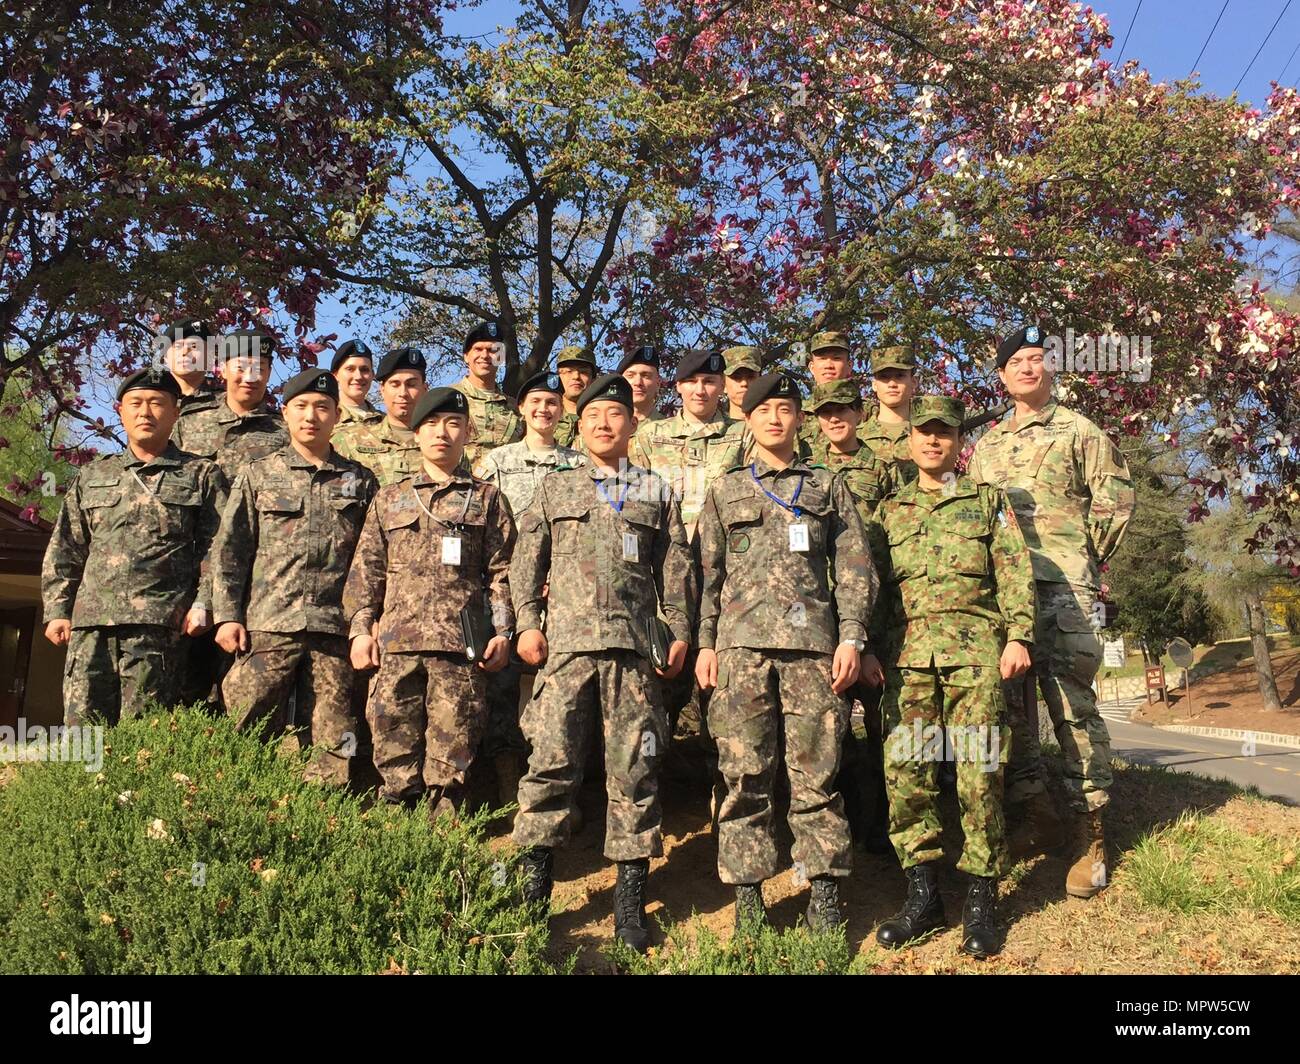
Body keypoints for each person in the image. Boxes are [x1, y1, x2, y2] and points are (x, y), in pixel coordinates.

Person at [510, 373, 695, 953]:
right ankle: (532, 898)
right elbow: (525, 561)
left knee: (633, 774)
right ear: (579, 423)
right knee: (550, 767)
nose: (604, 423)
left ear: (632, 424)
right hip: (564, 651)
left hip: (635, 654)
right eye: (592, 415)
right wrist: (525, 625)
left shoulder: (653, 491)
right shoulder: (556, 488)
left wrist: (682, 631)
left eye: (615, 415)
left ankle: (629, 906)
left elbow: (676, 569)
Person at [694, 372, 876, 932]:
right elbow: (706, 577)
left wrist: (851, 637)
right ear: (746, 419)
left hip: (812, 651)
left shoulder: (827, 486)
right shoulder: (725, 491)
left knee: (816, 775)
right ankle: (749, 894)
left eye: (785, 408)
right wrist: (705, 644)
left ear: (800, 419)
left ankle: (823, 891)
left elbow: (854, 569)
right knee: (744, 775)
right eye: (763, 409)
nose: (775, 417)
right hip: (741, 649)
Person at [967, 325, 1136, 898]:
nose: (1029, 369)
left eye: (1038, 359)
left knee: (1072, 709)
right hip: (1002, 598)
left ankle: (1090, 836)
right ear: (1002, 376)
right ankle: (1034, 813)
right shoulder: (985, 447)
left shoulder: (1079, 431)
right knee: (1010, 712)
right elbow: (973, 518)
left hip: (1064, 595)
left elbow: (1116, 500)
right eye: (1017, 362)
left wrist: (1080, 558)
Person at [872, 395, 1036, 958]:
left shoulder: (987, 502)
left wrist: (1018, 635)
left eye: (945, 432)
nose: (934, 441)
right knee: (909, 776)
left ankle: (981, 898)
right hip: (910, 662)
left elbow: (1014, 568)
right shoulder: (888, 512)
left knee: (979, 772)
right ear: (911, 440)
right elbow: (873, 593)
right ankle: (923, 896)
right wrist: (867, 648)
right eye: (925, 432)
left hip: (975, 661)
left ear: (959, 442)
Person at [343, 387, 515, 816]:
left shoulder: (488, 499)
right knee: (392, 742)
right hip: (397, 644)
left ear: (468, 432)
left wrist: (504, 631)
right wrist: (361, 630)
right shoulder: (391, 498)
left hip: (461, 648)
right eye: (432, 425)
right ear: (417, 434)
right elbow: (368, 571)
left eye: (453, 423)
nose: (443, 433)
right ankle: (397, 844)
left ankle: (443, 845)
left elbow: (503, 573)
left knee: (453, 751)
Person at [210, 368, 379, 786]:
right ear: (285, 413)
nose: (311, 416)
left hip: (333, 629)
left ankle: (324, 824)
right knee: (243, 727)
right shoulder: (259, 473)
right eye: (301, 407)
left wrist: (365, 623)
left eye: (322, 407)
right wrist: (227, 615)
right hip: (268, 625)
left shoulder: (359, 481)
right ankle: (239, 814)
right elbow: (232, 549)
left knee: (335, 741)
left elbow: (373, 559)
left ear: (337, 415)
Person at [42, 368, 227, 724]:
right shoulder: (94, 475)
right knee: (83, 735)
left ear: (176, 412)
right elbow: (66, 546)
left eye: (157, 403)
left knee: (145, 737)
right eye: (136, 403)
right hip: (90, 627)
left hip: (159, 628)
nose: (146, 412)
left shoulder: (201, 475)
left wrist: (204, 603)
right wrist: (57, 609)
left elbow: (217, 547)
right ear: (120, 411)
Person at [473, 369, 586, 811]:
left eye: (553, 404)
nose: (544, 409)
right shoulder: (496, 463)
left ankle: (559, 785)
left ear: (563, 411)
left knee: (558, 686)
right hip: (507, 586)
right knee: (503, 680)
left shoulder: (578, 464)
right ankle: (506, 775)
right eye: (535, 402)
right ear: (520, 408)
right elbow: (482, 529)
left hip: (565, 590)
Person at [632, 347, 745, 738]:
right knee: (665, 665)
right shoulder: (649, 436)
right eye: (693, 382)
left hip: (726, 569)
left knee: (722, 668)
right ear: (677, 387)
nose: (701, 389)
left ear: (722, 387)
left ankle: (716, 770)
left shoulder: (742, 435)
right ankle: (660, 766)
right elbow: (633, 500)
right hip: (666, 570)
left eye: (710, 381)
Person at [808, 379, 899, 852]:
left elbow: (893, 546)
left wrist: (870, 638)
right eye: (825, 411)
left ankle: (884, 824)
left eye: (843, 409)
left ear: (860, 413)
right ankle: (838, 825)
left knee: (886, 727)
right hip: (823, 614)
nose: (835, 418)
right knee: (831, 732)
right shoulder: (807, 471)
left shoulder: (885, 470)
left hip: (875, 613)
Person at [170, 328, 289, 481]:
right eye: (241, 368)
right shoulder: (189, 421)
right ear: (224, 370)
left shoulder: (285, 429)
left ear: (269, 373)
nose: (249, 377)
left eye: (259, 369)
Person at [332, 347, 427, 487]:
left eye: (411, 385)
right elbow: (340, 500)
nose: (403, 393)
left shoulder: (442, 441)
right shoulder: (349, 441)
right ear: (382, 390)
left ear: (425, 389)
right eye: (395, 385)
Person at [452, 321, 523, 467]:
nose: (485, 355)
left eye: (492, 350)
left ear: (500, 357)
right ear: (466, 356)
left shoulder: (516, 408)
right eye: (478, 349)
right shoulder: (449, 398)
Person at [859, 344, 919, 481]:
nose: (892, 384)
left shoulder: (927, 435)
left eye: (899, 376)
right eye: (884, 377)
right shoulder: (857, 438)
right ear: (874, 384)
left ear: (914, 382)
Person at [798, 330, 855, 450]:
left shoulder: (866, 411)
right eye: (822, 358)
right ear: (812, 367)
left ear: (849, 366)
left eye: (836, 358)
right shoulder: (797, 413)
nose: (828, 365)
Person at [331, 339, 384, 429]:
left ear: (372, 375)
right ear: (335, 375)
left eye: (364, 370)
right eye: (350, 369)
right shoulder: (327, 419)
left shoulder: (385, 421)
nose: (358, 376)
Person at [554, 345, 596, 448]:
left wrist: (622, 465)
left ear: (593, 379)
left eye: (583, 372)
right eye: (569, 371)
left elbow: (621, 456)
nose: (576, 376)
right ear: (557, 378)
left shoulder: (602, 417)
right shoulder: (544, 415)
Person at [618, 345, 665, 429]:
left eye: (646, 376)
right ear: (620, 383)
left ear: (658, 384)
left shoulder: (673, 431)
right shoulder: (604, 428)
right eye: (630, 375)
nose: (638, 382)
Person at [721, 344, 762, 414]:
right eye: (736, 377)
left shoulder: (773, 423)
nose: (744, 383)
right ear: (723, 384)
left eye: (751, 377)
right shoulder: (713, 424)